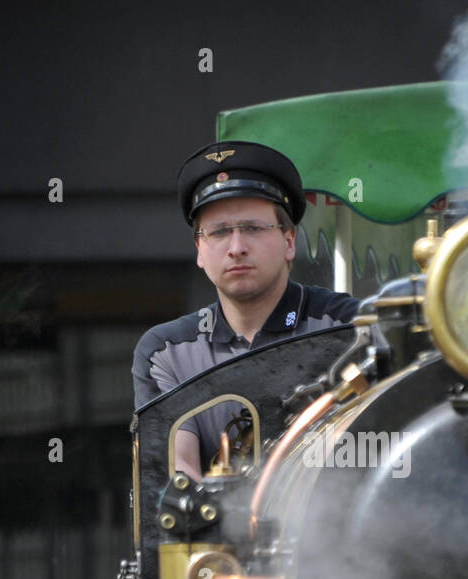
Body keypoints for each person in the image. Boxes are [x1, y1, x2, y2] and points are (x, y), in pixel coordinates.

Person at [132, 141, 360, 481]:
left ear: (289, 241)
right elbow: (177, 481)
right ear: (199, 249)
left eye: (253, 228)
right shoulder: (166, 353)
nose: (236, 248)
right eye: (220, 232)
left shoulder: (348, 325)